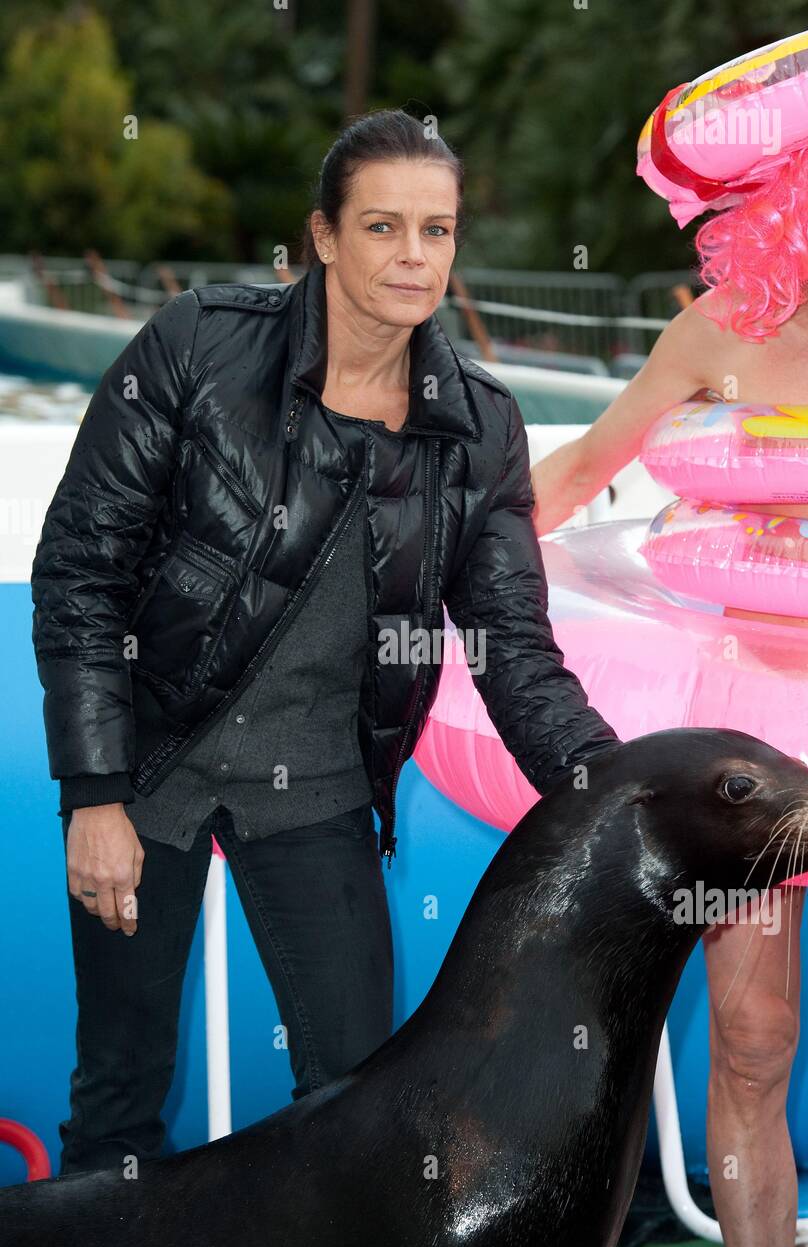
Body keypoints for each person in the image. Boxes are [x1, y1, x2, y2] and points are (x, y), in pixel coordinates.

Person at [30, 108, 621, 1178]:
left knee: (357, 1106)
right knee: (116, 1094)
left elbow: (514, 652)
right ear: (324, 235)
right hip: (150, 762)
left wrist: (616, 791)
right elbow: (81, 571)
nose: (412, 257)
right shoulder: (198, 344)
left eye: (435, 232)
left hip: (317, 790)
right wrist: (94, 792)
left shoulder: (478, 425)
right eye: (384, 227)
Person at [530, 121, 808, 1247]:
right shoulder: (730, 332)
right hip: (756, 727)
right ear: (805, 186)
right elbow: (577, 474)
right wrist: (407, 563)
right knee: (754, 1035)